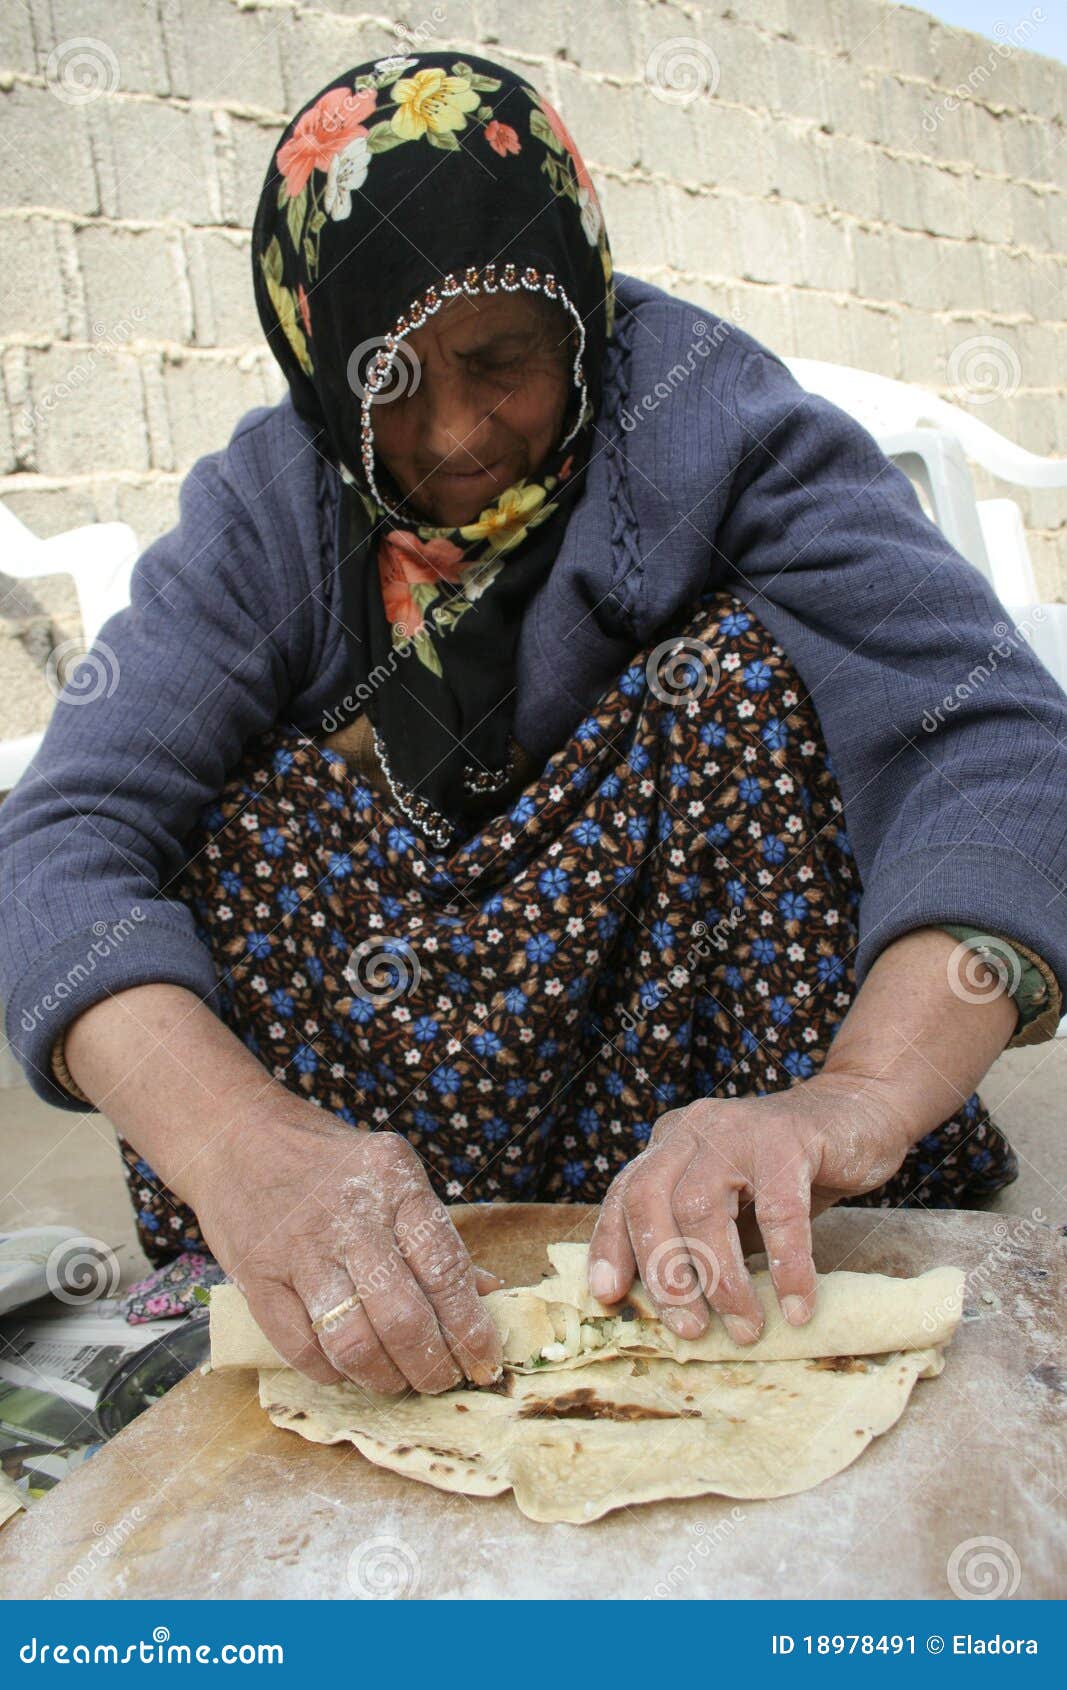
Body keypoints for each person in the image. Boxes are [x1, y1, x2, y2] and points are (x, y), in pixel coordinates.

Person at [1, 51, 1065, 1397]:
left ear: (582, 309)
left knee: (739, 673)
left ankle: (764, 1194)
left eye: (504, 360)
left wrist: (850, 1101)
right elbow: (58, 839)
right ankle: (354, 1247)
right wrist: (237, 1144)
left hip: (693, 1092)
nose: (456, 434)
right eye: (391, 378)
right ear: (321, 360)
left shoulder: (703, 417)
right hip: (389, 1128)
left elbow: (1001, 744)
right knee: (222, 797)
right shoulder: (272, 507)